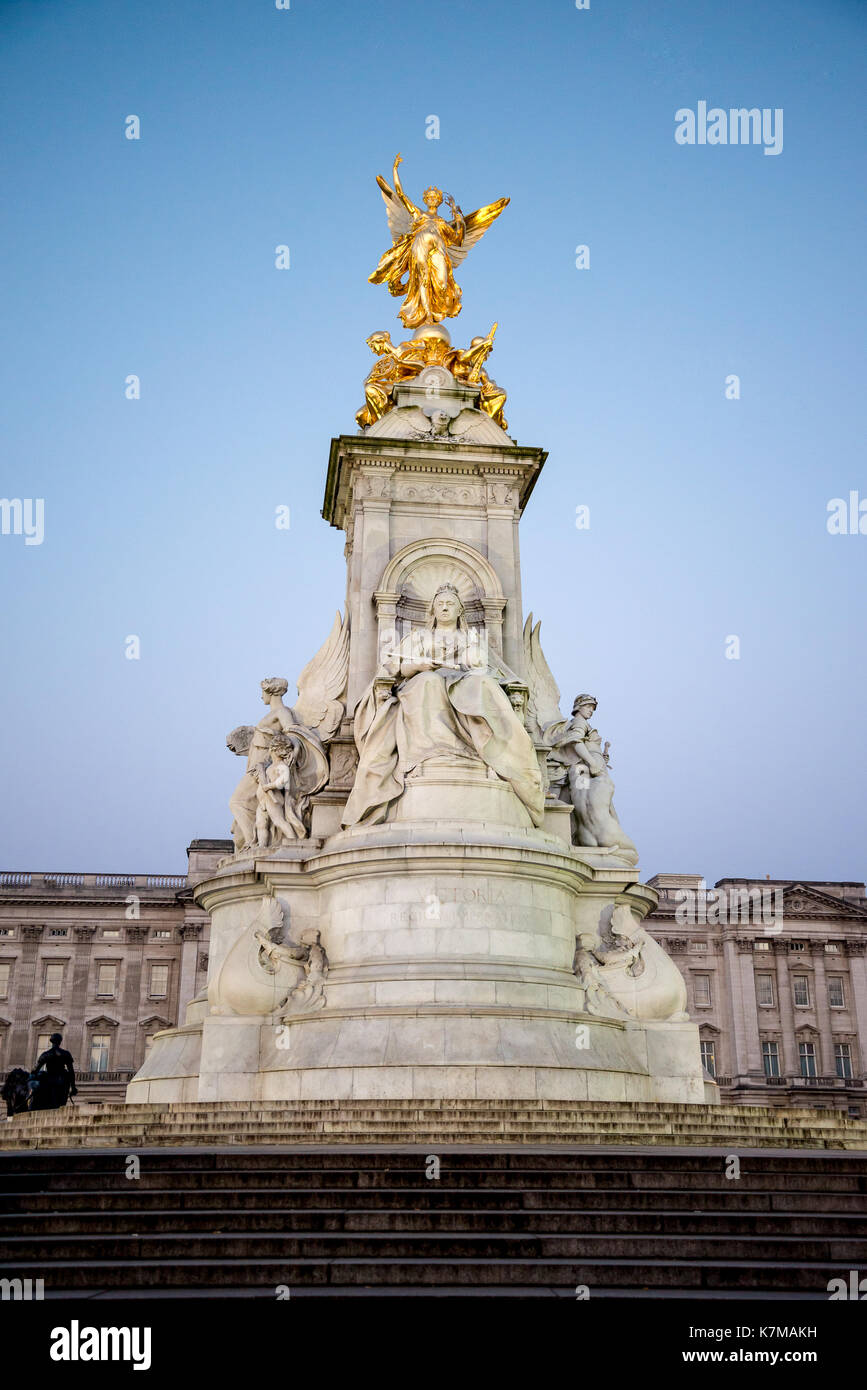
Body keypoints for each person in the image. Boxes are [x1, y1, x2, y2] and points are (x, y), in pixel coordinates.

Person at [342, 584, 544, 828]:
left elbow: (483, 668)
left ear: (460, 610)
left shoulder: (470, 638)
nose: (445, 608)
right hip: (423, 682)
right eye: (440, 604)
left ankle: (493, 756)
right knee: (429, 683)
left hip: (463, 681)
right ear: (433, 610)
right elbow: (400, 667)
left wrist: (471, 657)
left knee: (483, 686)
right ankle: (426, 757)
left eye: (450, 604)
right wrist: (419, 666)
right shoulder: (419, 637)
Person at [30, 1032, 77, 1110]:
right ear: (60, 1041)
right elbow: (71, 1071)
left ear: (51, 1041)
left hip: (49, 1078)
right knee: (61, 1103)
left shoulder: (46, 1054)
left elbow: (36, 1069)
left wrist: (33, 1073)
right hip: (63, 1080)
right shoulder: (66, 1053)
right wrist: (73, 1087)